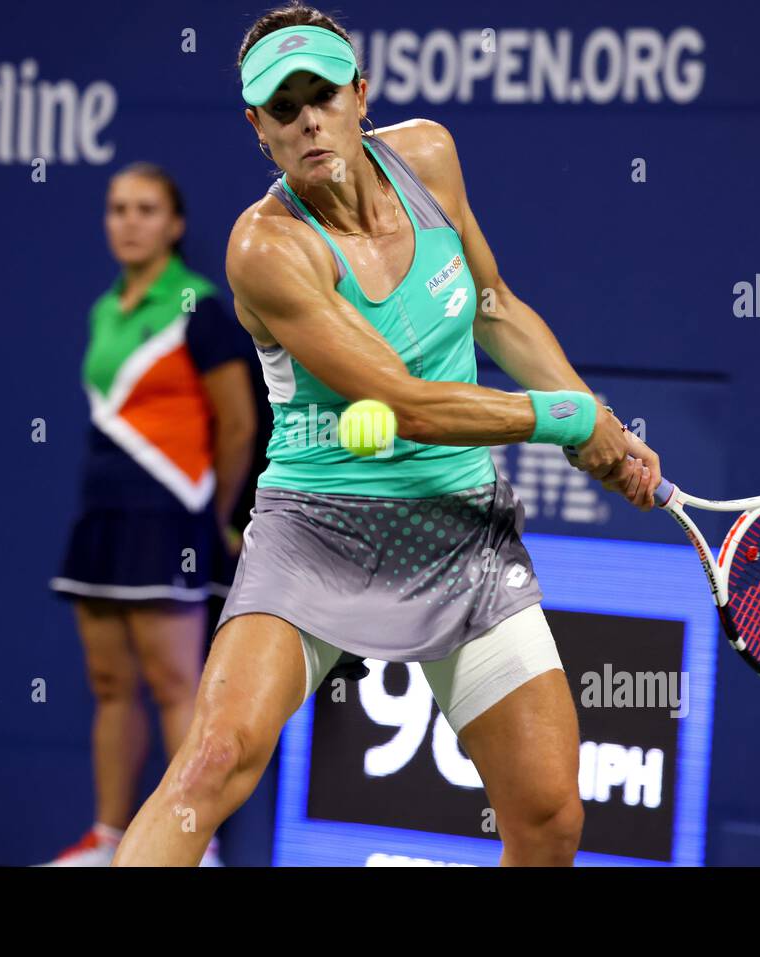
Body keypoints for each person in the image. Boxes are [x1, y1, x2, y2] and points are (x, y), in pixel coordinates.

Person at [113, 2, 662, 867]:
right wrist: (567, 419)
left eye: (322, 95)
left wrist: (607, 428)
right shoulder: (266, 247)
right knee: (215, 758)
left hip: (460, 530)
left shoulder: (430, 159)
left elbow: (494, 306)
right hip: (317, 531)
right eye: (281, 108)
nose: (307, 120)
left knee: (551, 814)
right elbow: (411, 403)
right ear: (259, 130)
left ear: (361, 94)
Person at [44, 162, 258, 866]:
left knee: (177, 688)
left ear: (175, 225)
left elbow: (236, 424)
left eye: (145, 209)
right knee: (110, 685)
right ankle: (107, 841)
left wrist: (212, 516)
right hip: (101, 520)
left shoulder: (198, 307)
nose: (128, 221)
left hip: (170, 525)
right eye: (117, 208)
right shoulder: (104, 309)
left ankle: (196, 847)